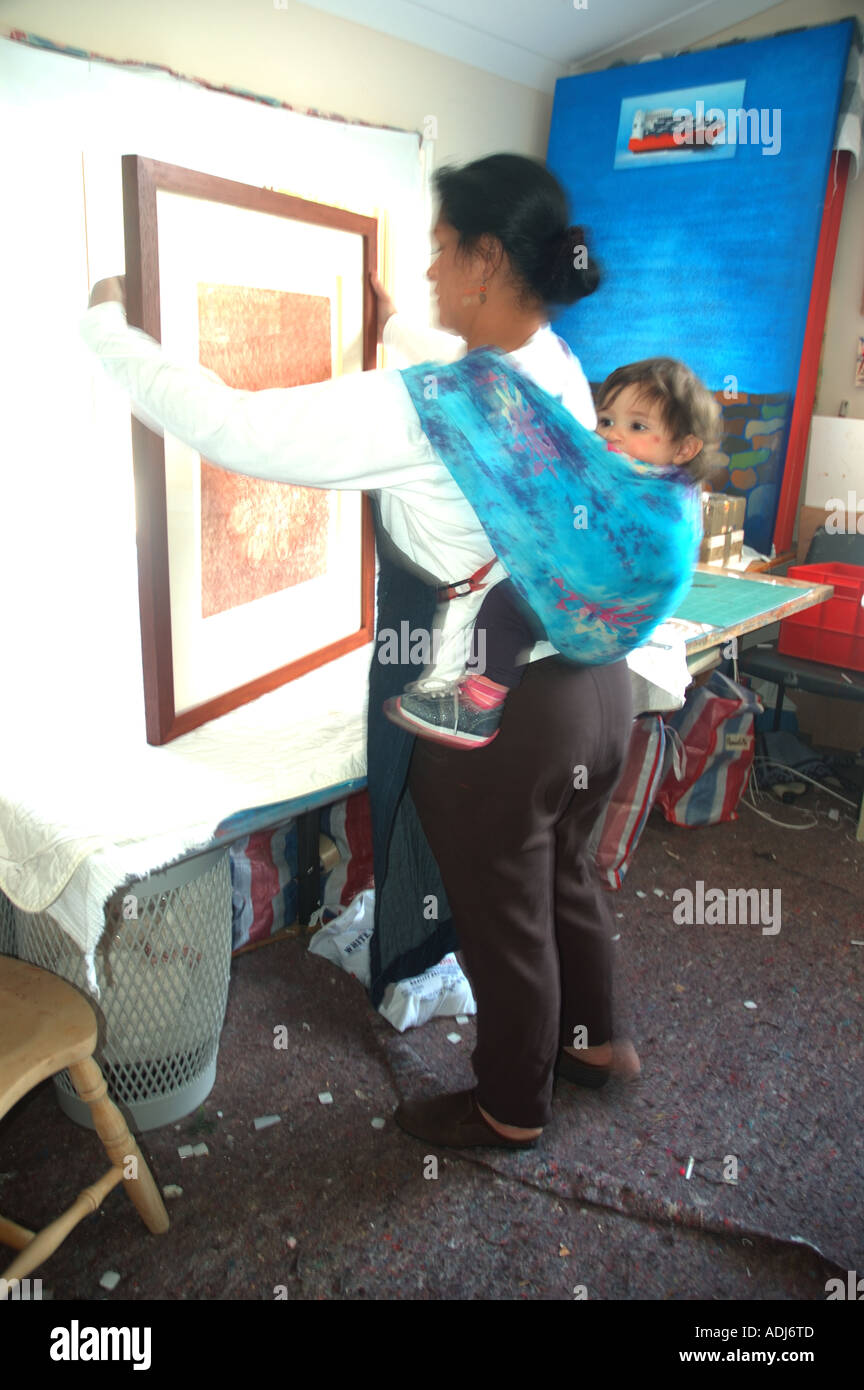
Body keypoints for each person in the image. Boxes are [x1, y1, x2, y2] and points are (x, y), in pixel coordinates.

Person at [81, 154, 652, 1148]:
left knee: (501, 913)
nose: (428, 271)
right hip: (599, 687)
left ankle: (510, 1110)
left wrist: (107, 328)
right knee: (566, 877)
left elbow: (231, 424)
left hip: (503, 709)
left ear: (483, 257)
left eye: (439, 251)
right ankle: (598, 1045)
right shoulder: (554, 362)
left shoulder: (423, 406)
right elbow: (439, 352)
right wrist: (386, 316)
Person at [382, 355, 721, 749]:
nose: (612, 436)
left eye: (638, 426)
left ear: (685, 448)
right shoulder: (677, 490)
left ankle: (477, 707)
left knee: (504, 603)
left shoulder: (650, 503)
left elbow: (588, 527)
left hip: (599, 624)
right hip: (632, 629)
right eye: (607, 421)